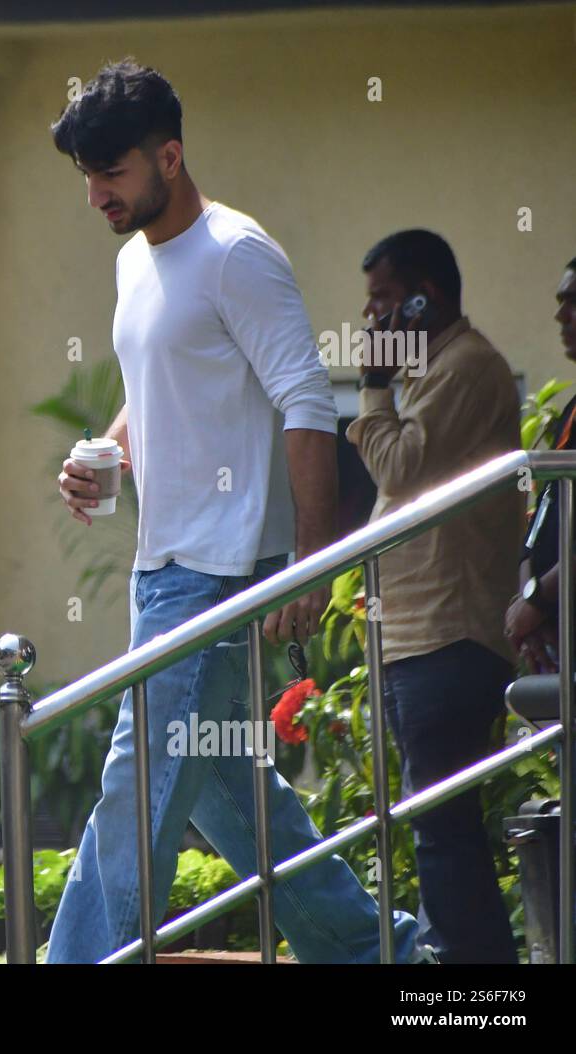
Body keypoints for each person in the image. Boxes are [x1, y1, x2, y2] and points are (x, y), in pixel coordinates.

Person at [47, 61, 420, 963]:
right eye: (88, 176)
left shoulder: (236, 253)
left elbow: (303, 401)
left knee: (136, 789)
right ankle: (385, 958)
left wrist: (308, 562)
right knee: (231, 798)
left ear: (169, 156)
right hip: (162, 565)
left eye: (114, 172)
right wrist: (106, 454)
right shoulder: (136, 259)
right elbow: (158, 395)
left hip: (218, 576)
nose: (98, 192)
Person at [346, 230, 523, 963]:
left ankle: (469, 985)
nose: (371, 317)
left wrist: (374, 384)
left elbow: (398, 466)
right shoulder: (437, 372)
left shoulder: (466, 366)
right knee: (438, 824)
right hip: (416, 638)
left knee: (441, 825)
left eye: (385, 299)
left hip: (446, 638)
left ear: (426, 297)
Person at [506, 256, 576, 671]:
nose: (559, 316)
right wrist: (532, 607)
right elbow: (545, 512)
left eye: (573, 301)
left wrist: (536, 600)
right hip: (558, 629)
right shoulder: (571, 410)